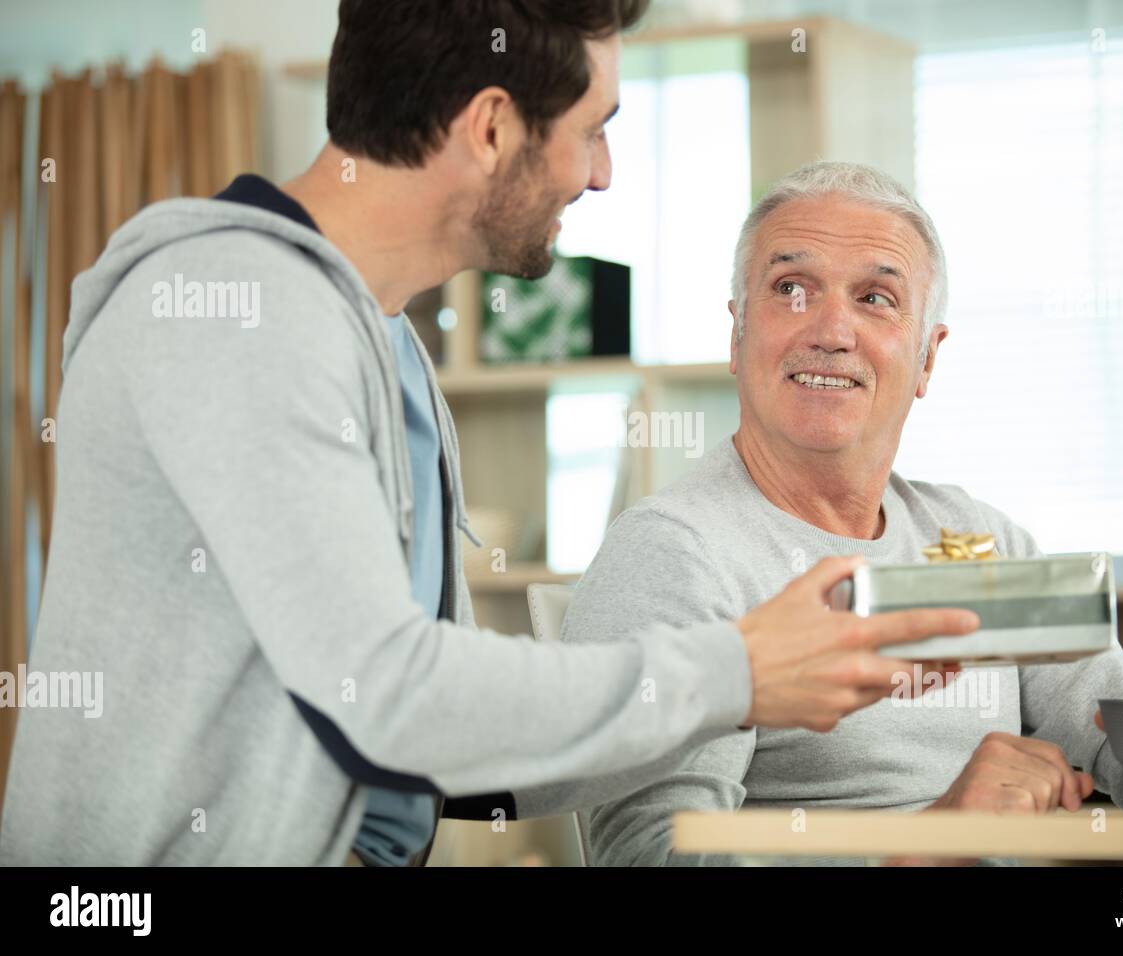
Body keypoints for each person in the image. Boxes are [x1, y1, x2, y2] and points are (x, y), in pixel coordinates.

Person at [0, 2, 979, 866]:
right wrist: (737, 668)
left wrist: (746, 699)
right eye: (594, 131)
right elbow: (389, 691)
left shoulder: (390, 353)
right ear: (493, 126)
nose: (601, 175)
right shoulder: (235, 309)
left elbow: (446, 752)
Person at [561, 161, 1123, 866]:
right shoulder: (672, 552)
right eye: (791, 288)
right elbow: (655, 859)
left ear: (926, 359)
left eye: (876, 298)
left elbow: (1115, 720)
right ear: (737, 335)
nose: (830, 330)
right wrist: (926, 850)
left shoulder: (979, 538)